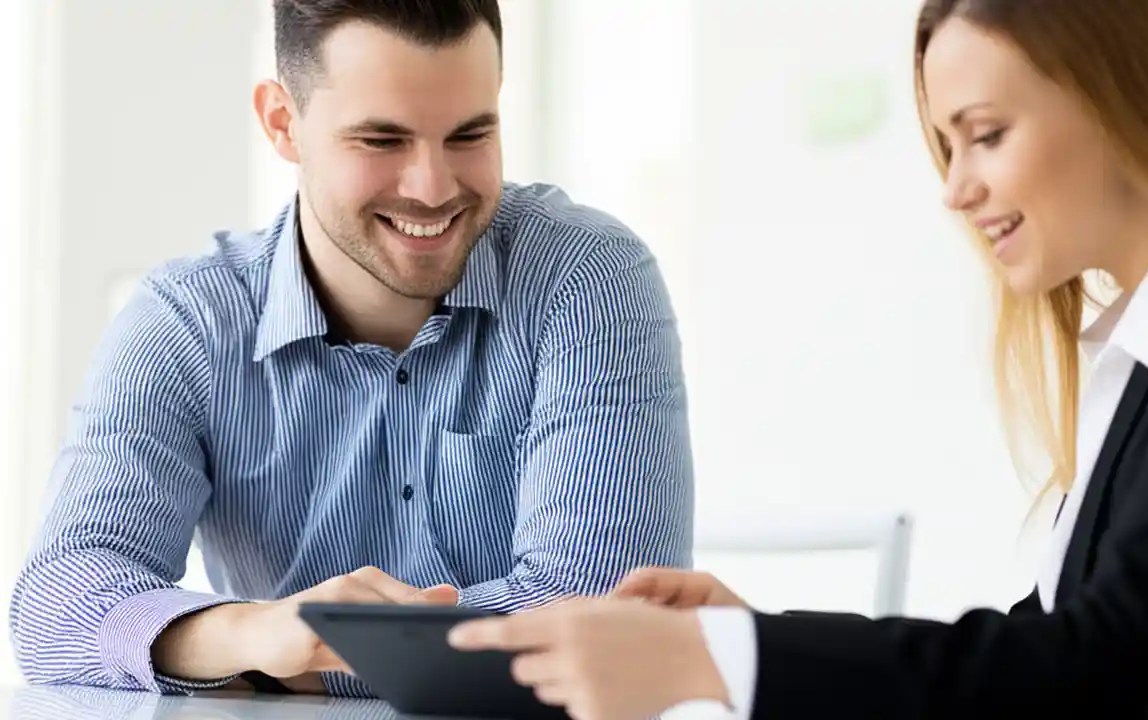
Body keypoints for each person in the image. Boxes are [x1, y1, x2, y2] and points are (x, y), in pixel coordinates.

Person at [447, 0, 1148, 717]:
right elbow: (1043, 648)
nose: (955, 189)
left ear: (1125, 95)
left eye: (984, 135)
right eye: (948, 149)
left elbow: (1101, 675)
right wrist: (745, 640)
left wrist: (722, 661)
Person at [9, 0, 694, 698]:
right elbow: (58, 603)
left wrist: (289, 669)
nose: (433, 188)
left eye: (469, 134)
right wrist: (253, 634)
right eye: (381, 140)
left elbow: (607, 627)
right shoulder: (188, 322)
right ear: (282, 122)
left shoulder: (586, 277)